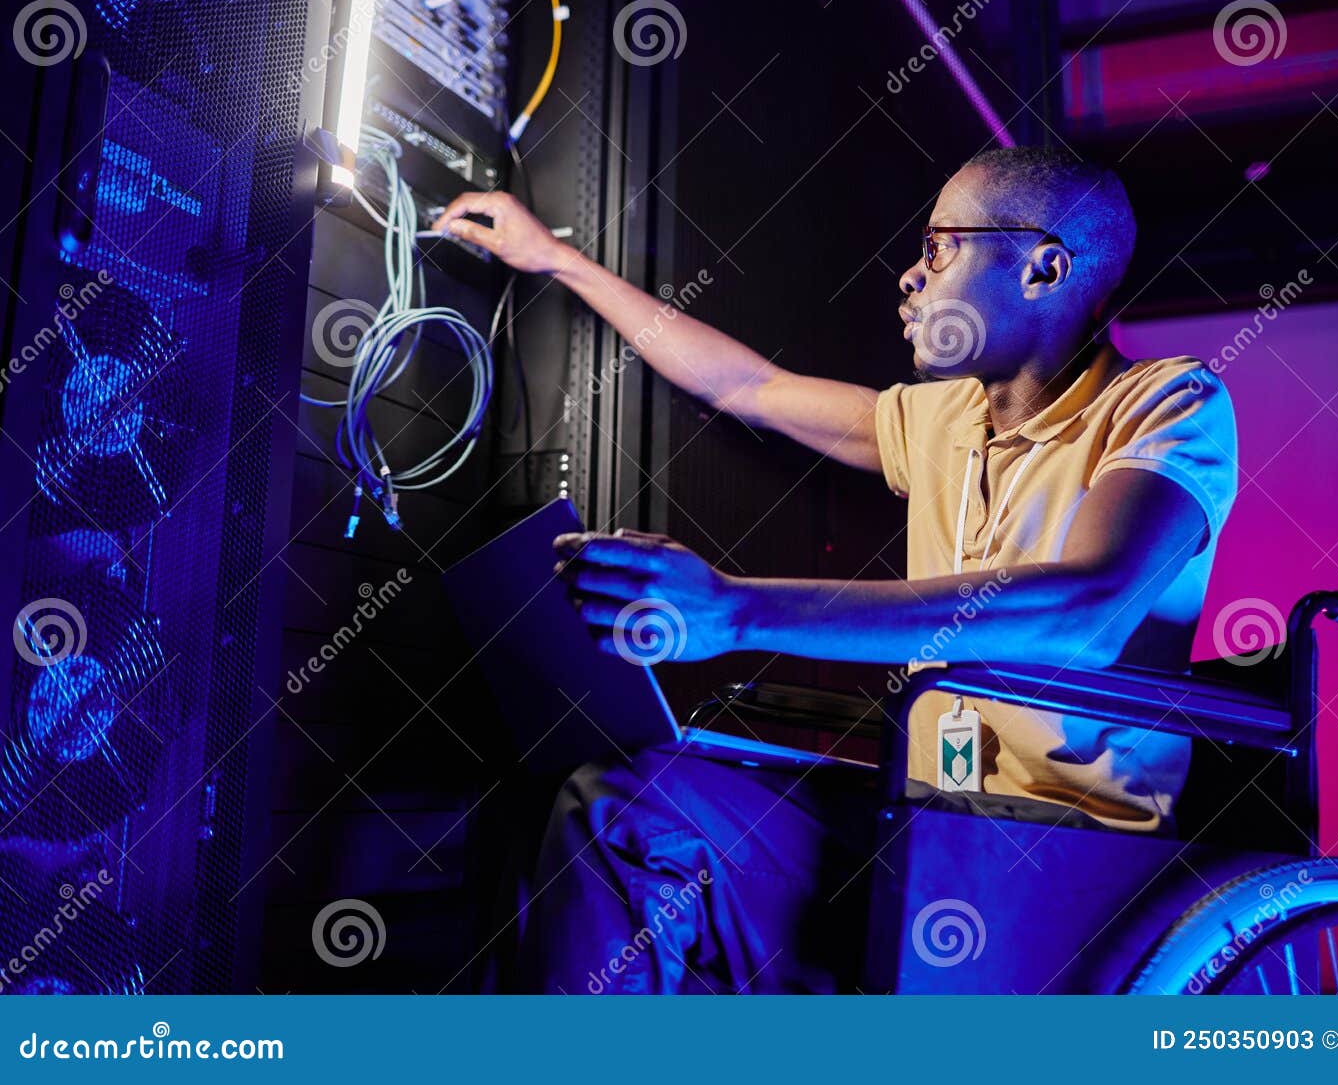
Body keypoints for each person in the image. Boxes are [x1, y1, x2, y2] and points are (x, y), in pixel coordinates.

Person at [434, 146, 1238, 993]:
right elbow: (750, 385)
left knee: (629, 818)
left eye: (938, 248)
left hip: (1066, 854)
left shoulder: (1168, 402)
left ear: (1043, 266)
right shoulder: (944, 420)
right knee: (607, 811)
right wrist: (556, 258)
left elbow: (1087, 607)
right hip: (932, 819)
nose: (910, 277)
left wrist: (736, 610)